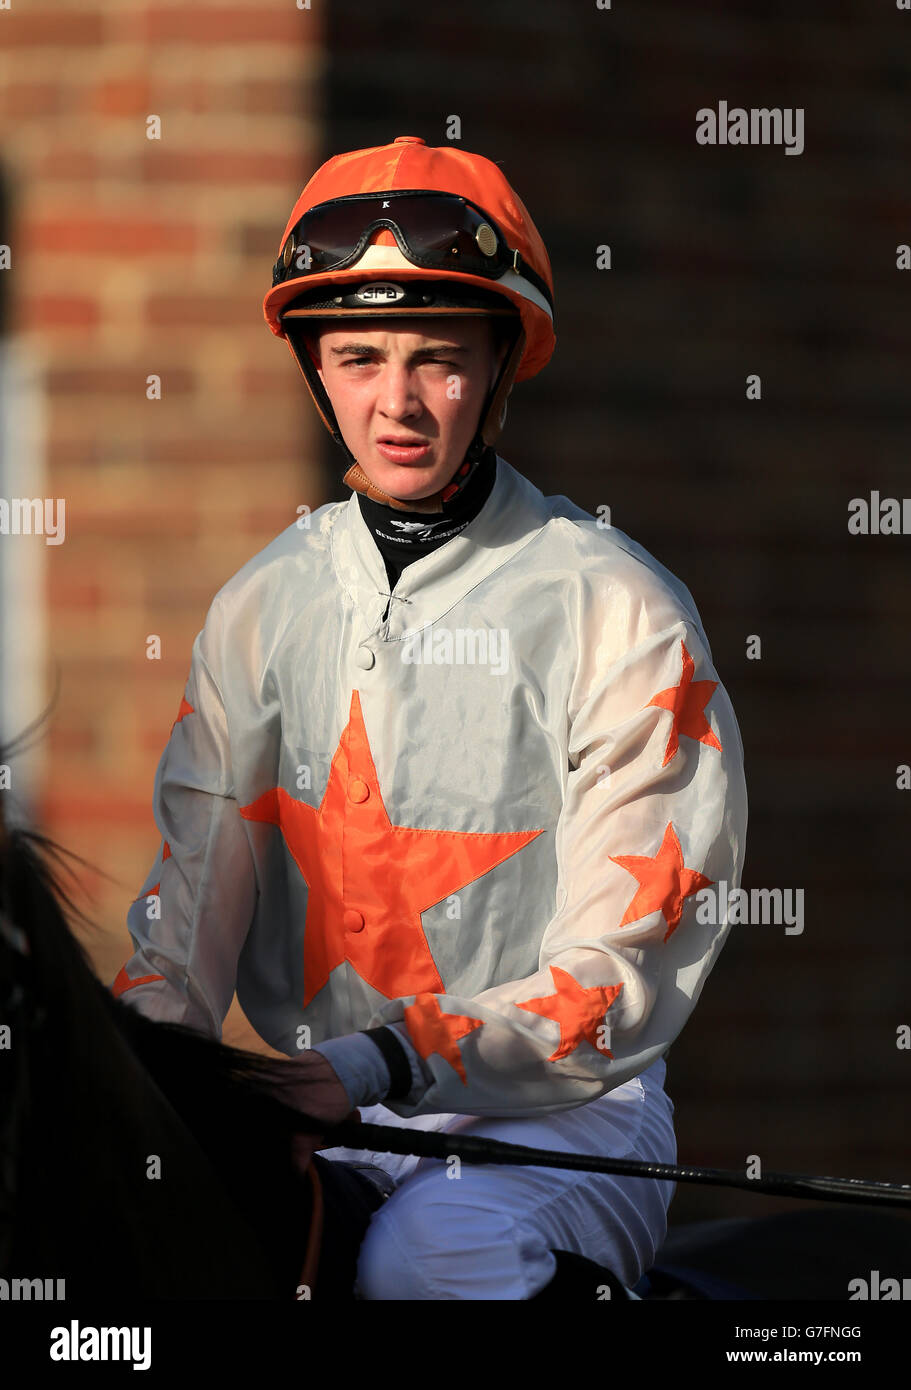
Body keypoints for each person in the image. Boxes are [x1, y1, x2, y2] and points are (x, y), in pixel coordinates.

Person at [113, 135, 748, 1300]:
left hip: (561, 1114)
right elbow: (189, 910)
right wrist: (124, 1065)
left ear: (502, 366)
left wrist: (378, 1060)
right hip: (322, 1100)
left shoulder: (618, 604)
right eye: (357, 356)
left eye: (438, 359)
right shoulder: (261, 604)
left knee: (427, 1255)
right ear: (314, 368)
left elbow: (621, 966)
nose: (395, 403)